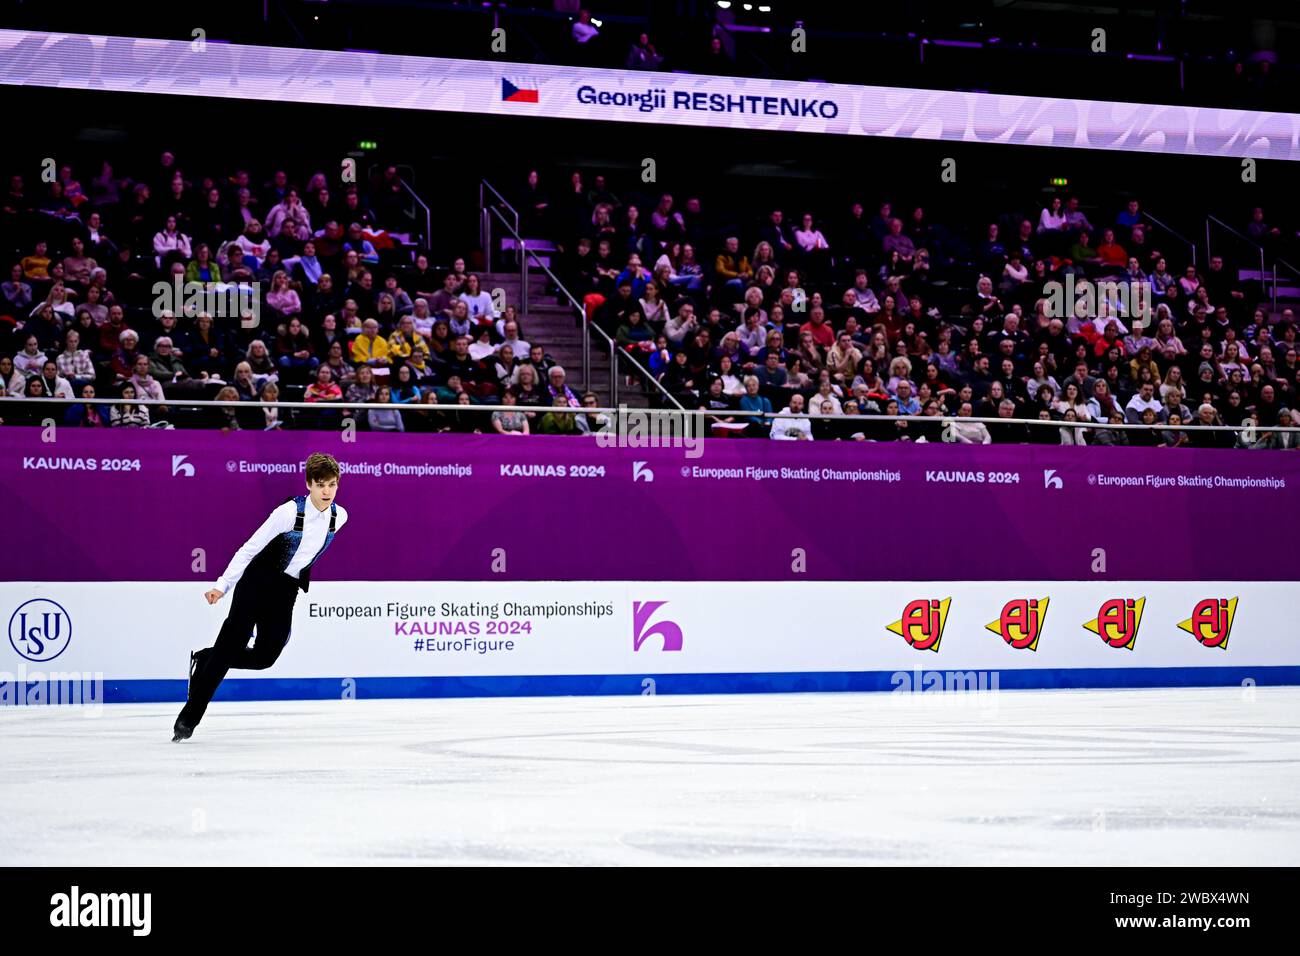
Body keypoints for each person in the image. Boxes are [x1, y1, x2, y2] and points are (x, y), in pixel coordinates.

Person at [175, 453, 349, 742]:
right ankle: (188, 720)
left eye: (332, 484)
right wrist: (222, 585)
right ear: (309, 484)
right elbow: (249, 548)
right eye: (320, 485)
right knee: (230, 647)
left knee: (266, 657)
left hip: (286, 591)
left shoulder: (339, 517)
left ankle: (207, 657)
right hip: (255, 583)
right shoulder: (289, 512)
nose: (327, 491)